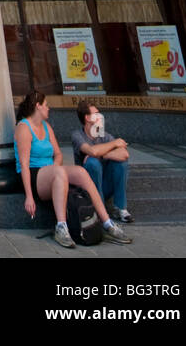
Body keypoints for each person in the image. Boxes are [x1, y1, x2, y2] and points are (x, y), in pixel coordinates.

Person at [14, 90, 133, 248]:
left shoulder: (46, 126)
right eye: (46, 105)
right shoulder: (23, 128)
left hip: (51, 172)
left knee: (81, 173)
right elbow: (23, 164)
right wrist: (29, 196)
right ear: (38, 106)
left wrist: (55, 169)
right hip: (33, 175)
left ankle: (107, 223)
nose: (49, 108)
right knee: (60, 171)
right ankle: (61, 227)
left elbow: (58, 154)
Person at [72, 100, 134, 224]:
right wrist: (113, 145)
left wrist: (104, 154)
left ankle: (121, 208)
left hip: (105, 185)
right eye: (96, 113)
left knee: (121, 163)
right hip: (88, 188)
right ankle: (100, 211)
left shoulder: (105, 136)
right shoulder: (77, 135)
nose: (100, 116)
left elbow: (124, 154)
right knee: (92, 163)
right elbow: (90, 150)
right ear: (87, 118)